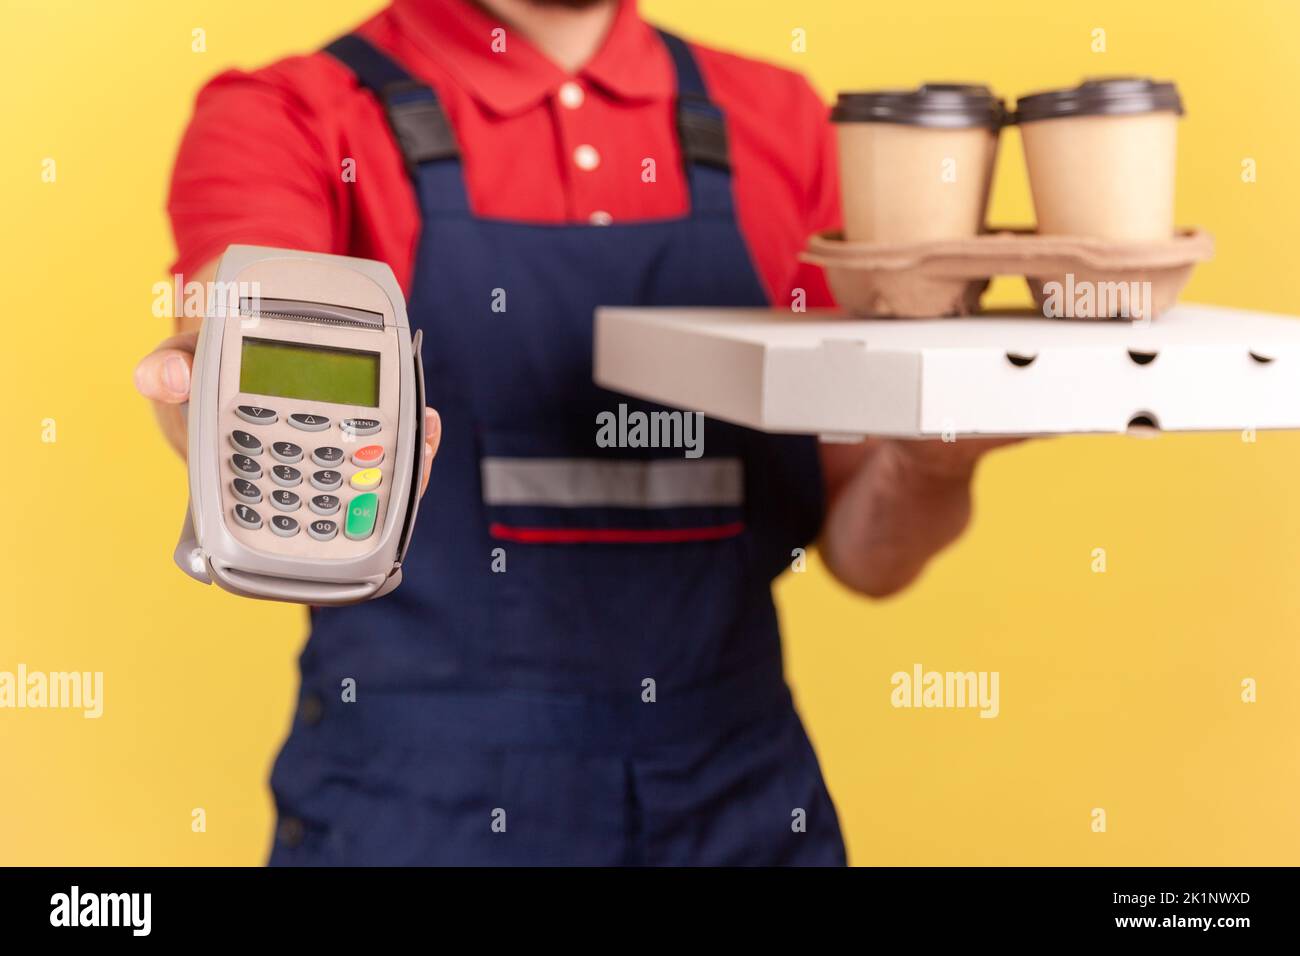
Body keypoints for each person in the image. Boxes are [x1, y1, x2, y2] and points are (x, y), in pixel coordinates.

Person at [134, 0, 1015, 865]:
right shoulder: (293, 116)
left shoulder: (780, 119)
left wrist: (935, 462)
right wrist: (212, 398)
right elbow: (242, 335)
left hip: (740, 798)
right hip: (419, 809)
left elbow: (869, 557)